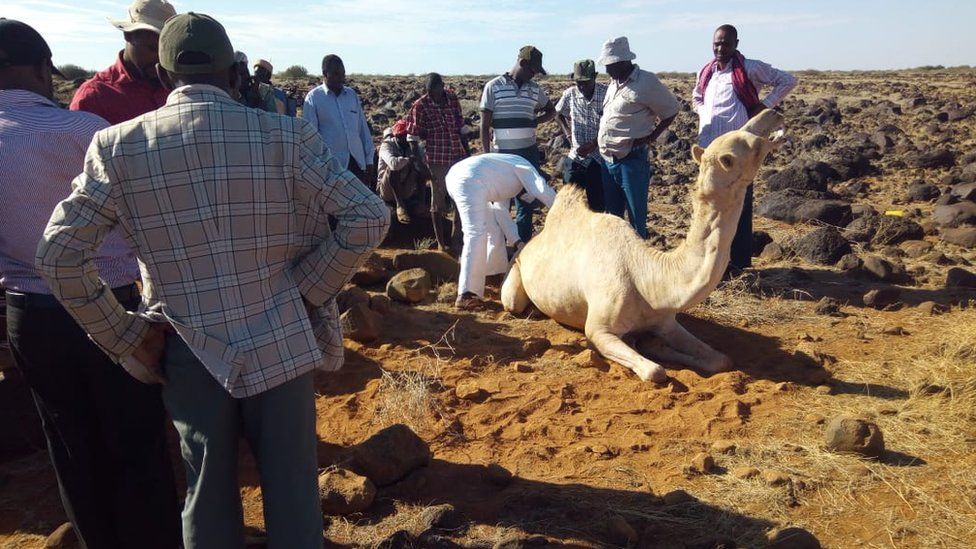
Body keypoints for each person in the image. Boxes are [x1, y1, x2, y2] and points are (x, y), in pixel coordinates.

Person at [35, 12, 390, 549]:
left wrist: (126, 335)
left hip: (187, 347)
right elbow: (369, 217)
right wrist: (308, 287)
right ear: (233, 72)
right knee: (294, 495)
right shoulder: (287, 136)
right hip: (281, 339)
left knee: (205, 494)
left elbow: (58, 256)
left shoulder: (118, 147)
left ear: (163, 75)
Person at [0, 18, 181, 548]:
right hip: (114, 308)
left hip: (31, 319)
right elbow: (142, 221)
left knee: (71, 448)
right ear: (39, 69)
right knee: (139, 445)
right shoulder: (87, 133)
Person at [693, 24, 796, 272]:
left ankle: (737, 263)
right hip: (709, 151)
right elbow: (696, 96)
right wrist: (702, 110)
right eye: (717, 43)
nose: (720, 48)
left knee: (737, 205)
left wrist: (763, 107)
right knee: (710, 204)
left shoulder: (749, 68)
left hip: (737, 155)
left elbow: (788, 80)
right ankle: (711, 260)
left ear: (736, 44)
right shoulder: (706, 71)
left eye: (726, 43)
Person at [446, 153, 555, 310]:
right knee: (476, 233)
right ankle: (467, 294)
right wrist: (566, 211)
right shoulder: (526, 168)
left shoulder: (503, 176)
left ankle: (492, 273)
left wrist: (517, 242)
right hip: (469, 180)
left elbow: (499, 212)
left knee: (493, 230)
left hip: (460, 177)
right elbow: (543, 190)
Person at [597, 36, 679, 239]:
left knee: (636, 220)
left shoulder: (647, 82)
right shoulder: (613, 83)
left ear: (624, 61)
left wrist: (652, 136)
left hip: (631, 160)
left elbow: (671, 110)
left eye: (610, 65)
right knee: (613, 219)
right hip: (608, 161)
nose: (606, 70)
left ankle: (639, 265)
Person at [480, 46, 555, 243]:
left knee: (527, 201)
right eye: (533, 71)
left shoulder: (534, 89)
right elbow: (484, 125)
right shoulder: (494, 86)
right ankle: (498, 250)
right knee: (500, 204)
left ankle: (521, 248)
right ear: (522, 63)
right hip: (501, 155)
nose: (534, 75)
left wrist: (535, 121)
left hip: (528, 154)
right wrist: (486, 157)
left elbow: (551, 111)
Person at [69, 0, 176, 124]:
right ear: (128, 35)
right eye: (152, 48)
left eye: (166, 51)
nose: (160, 58)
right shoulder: (94, 97)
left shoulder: (179, 85)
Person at [405, 72, 468, 252]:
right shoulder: (420, 105)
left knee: (460, 200)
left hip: (457, 155)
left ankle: (456, 239)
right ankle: (441, 243)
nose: (435, 94)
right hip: (437, 158)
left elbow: (460, 126)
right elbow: (413, 137)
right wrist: (419, 162)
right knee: (437, 202)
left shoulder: (452, 99)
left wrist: (468, 152)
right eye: (431, 91)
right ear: (427, 91)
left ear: (443, 86)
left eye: (438, 89)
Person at [302, 54, 374, 181]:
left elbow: (363, 130)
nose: (341, 78)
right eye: (336, 74)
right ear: (325, 73)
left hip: (357, 164)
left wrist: (369, 160)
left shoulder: (351, 95)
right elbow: (310, 138)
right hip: (331, 167)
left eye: (343, 74)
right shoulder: (314, 98)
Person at [555, 59, 609, 212]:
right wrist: (568, 133)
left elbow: (612, 124)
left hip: (598, 159)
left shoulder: (606, 94)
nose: (582, 87)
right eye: (579, 83)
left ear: (595, 76)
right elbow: (557, 113)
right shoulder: (570, 94)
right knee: (569, 203)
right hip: (576, 157)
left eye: (586, 82)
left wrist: (594, 143)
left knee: (597, 206)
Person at [377, 120, 427, 224]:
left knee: (420, 168)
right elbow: (394, 164)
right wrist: (410, 159)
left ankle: (421, 203)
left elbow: (423, 161)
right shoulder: (387, 145)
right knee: (393, 168)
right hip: (387, 190)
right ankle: (400, 205)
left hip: (406, 187)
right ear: (396, 136)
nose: (406, 139)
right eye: (402, 136)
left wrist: (416, 161)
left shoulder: (414, 146)